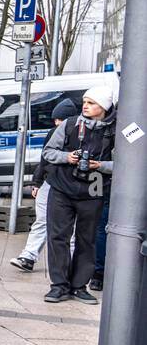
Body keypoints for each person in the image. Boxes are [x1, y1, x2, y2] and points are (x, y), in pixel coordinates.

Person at [41, 85, 115, 305]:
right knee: (58, 237)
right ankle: (58, 286)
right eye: (85, 101)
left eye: (91, 103)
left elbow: (125, 164)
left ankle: (79, 286)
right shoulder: (69, 124)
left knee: (87, 239)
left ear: (103, 107)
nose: (86, 106)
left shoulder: (114, 130)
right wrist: (67, 157)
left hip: (94, 189)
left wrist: (100, 165)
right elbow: (48, 152)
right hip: (62, 187)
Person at [10, 98, 77, 274]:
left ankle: (30, 256)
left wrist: (37, 182)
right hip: (55, 181)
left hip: (58, 182)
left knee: (47, 221)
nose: (56, 123)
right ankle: (31, 256)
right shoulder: (59, 131)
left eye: (58, 119)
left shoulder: (63, 132)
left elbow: (44, 159)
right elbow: (45, 158)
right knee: (63, 225)